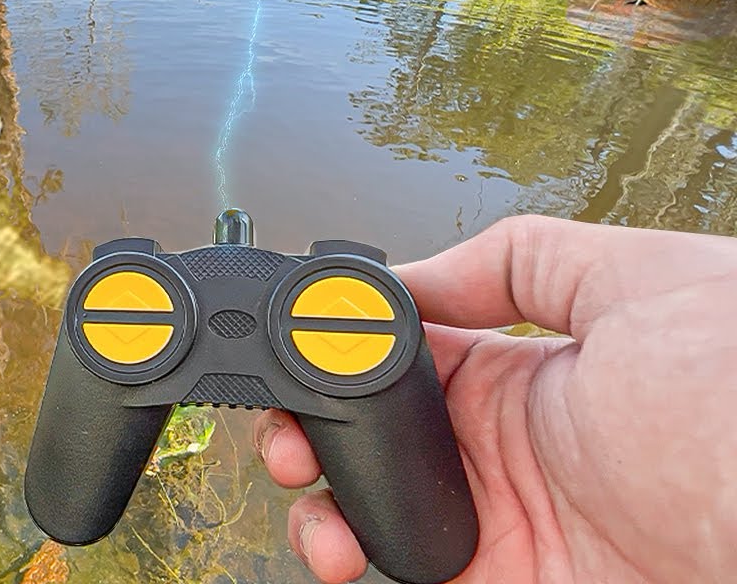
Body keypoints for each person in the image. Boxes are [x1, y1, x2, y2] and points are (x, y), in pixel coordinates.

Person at [252, 214, 737, 583]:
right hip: (354, 335)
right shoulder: (361, 301)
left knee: (428, 551)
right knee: (426, 549)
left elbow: (430, 555)